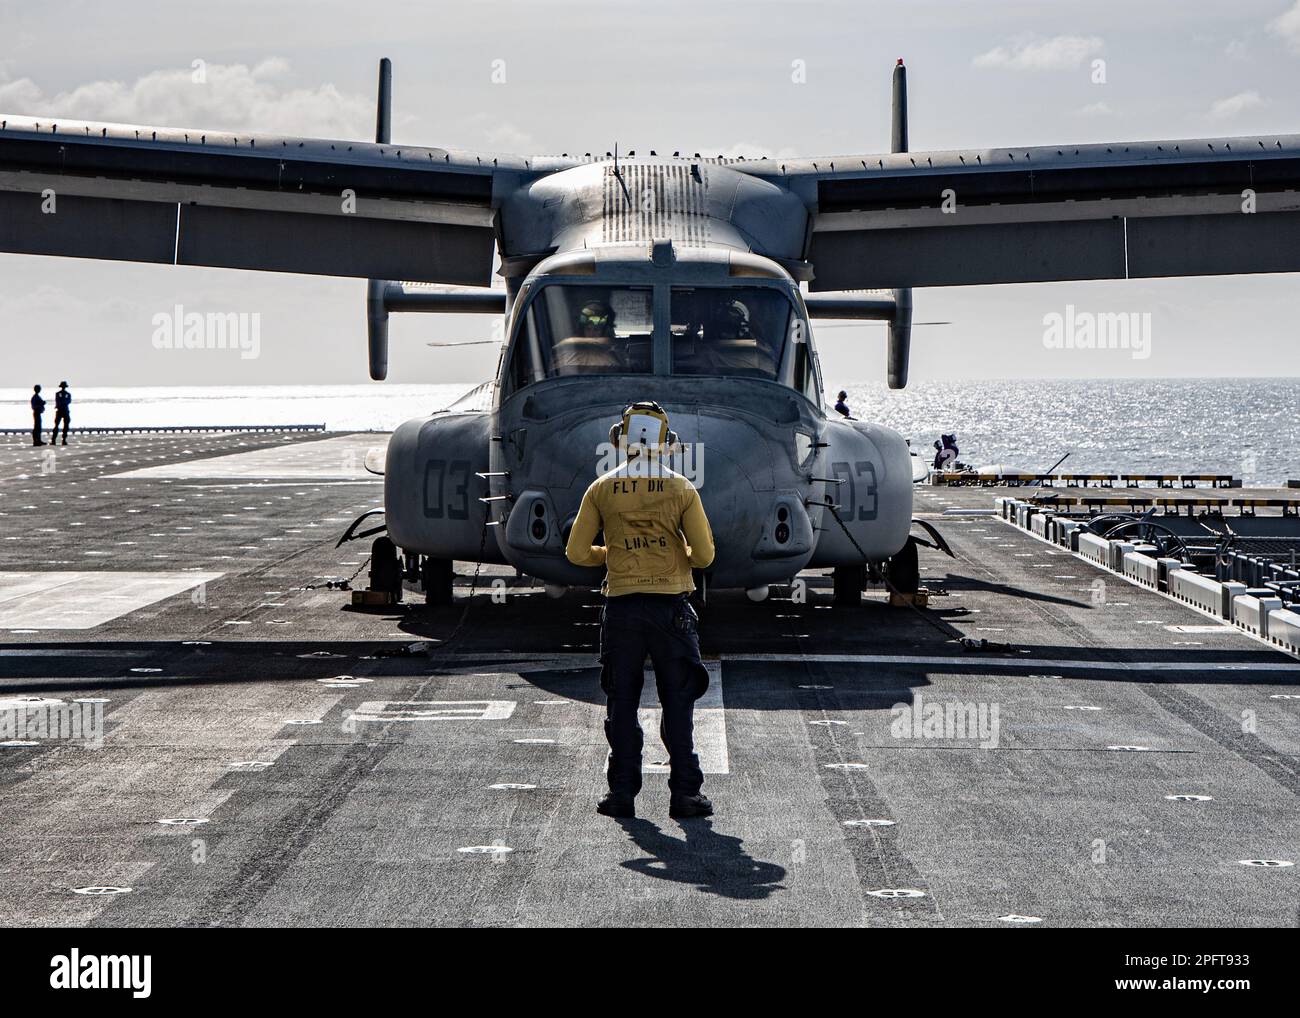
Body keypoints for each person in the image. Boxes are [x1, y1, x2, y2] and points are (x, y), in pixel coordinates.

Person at [565, 400, 716, 820]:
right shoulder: (682, 489)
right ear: (667, 442)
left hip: (622, 609)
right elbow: (703, 557)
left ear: (619, 439)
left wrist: (610, 553)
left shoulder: (601, 489)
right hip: (671, 608)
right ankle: (685, 794)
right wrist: (677, 552)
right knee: (678, 702)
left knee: (622, 703)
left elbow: (577, 553)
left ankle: (621, 795)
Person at [51, 381, 71, 446]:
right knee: (58, 425)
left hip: (62, 410)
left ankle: (61, 439)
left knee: (64, 425)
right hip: (62, 410)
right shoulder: (60, 394)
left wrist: (62, 403)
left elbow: (68, 401)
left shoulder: (66, 394)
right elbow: (65, 401)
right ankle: (55, 440)